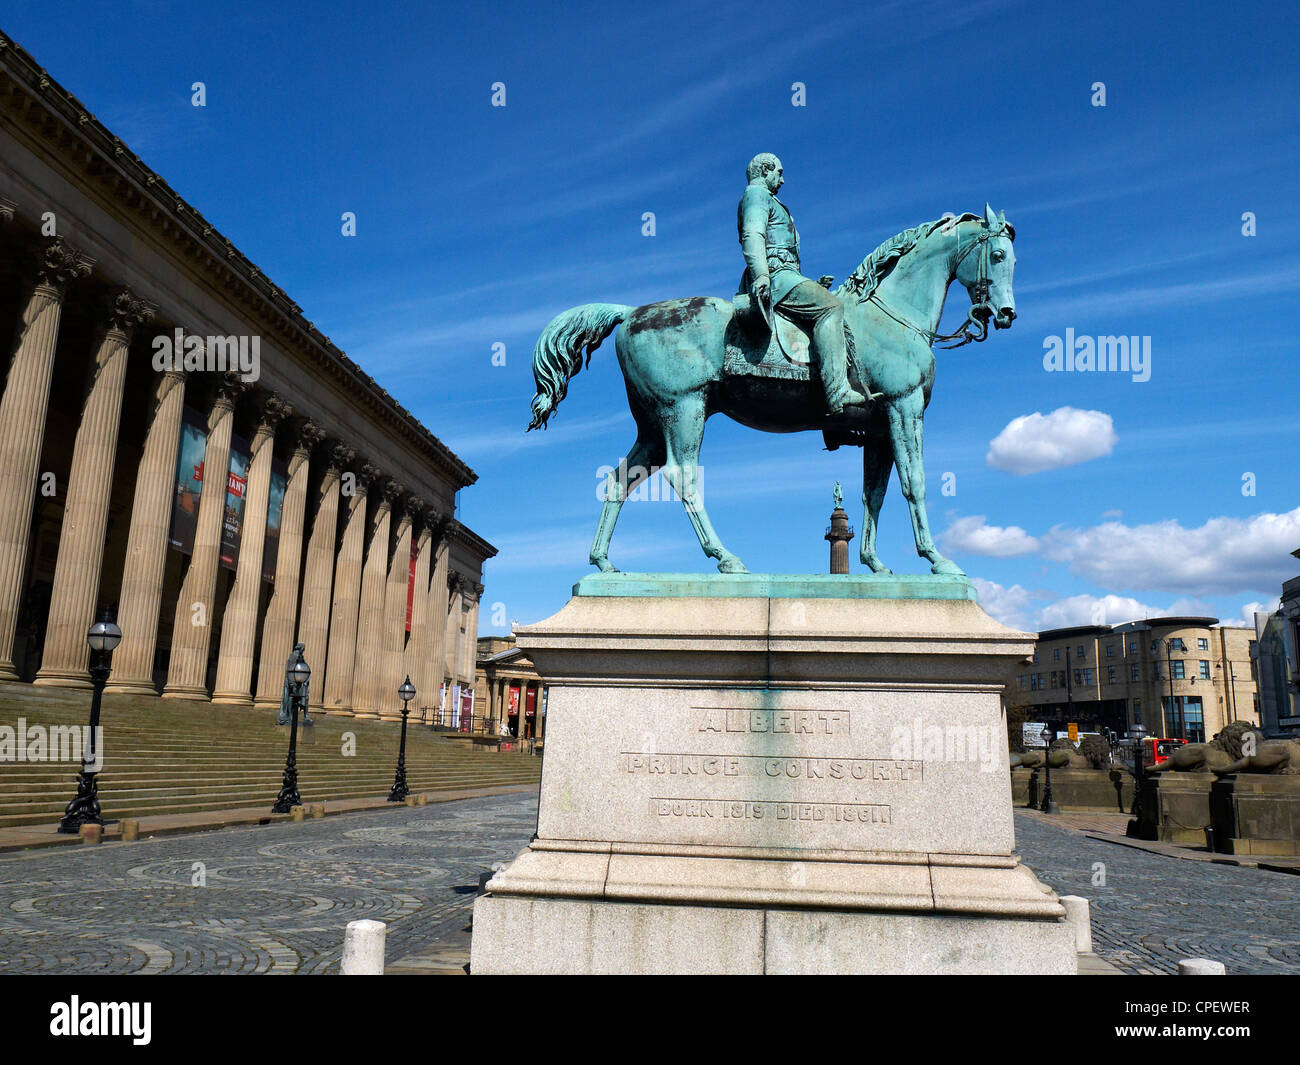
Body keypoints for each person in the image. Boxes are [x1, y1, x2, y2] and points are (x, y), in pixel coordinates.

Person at [738, 153, 867, 414]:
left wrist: (811, 284)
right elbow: (753, 234)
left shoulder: (769, 200)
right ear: (765, 170)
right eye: (779, 172)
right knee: (831, 307)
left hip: (786, 276)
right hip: (776, 276)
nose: (783, 180)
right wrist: (762, 274)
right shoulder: (757, 195)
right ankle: (838, 392)